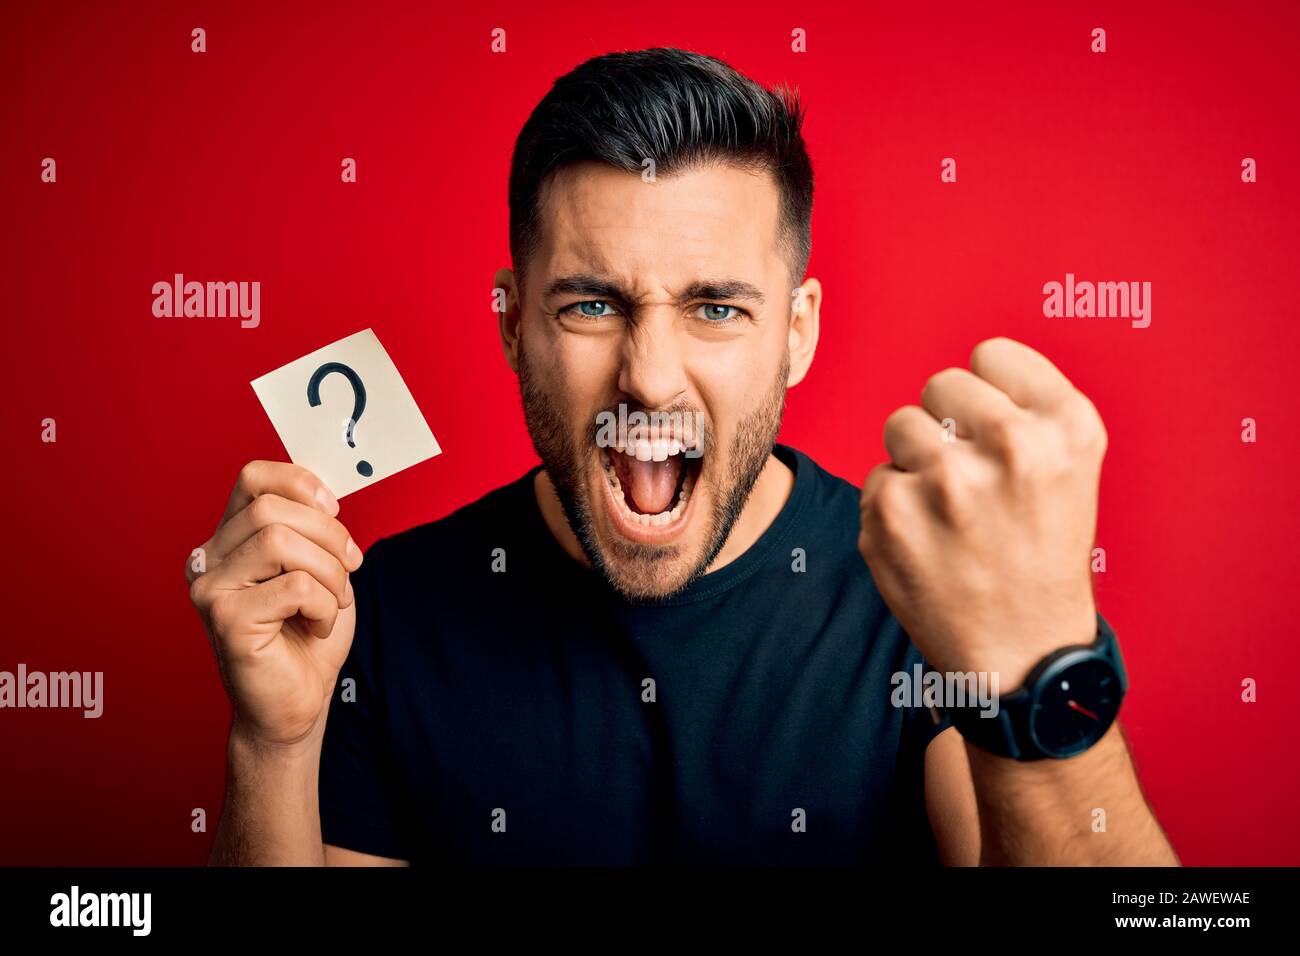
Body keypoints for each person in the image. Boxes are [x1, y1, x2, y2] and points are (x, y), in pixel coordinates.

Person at [186, 47, 1177, 866]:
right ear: (512, 323)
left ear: (796, 330)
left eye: (715, 308)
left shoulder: (915, 597)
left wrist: (1042, 664)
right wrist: (270, 741)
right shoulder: (378, 613)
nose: (650, 379)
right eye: (590, 305)